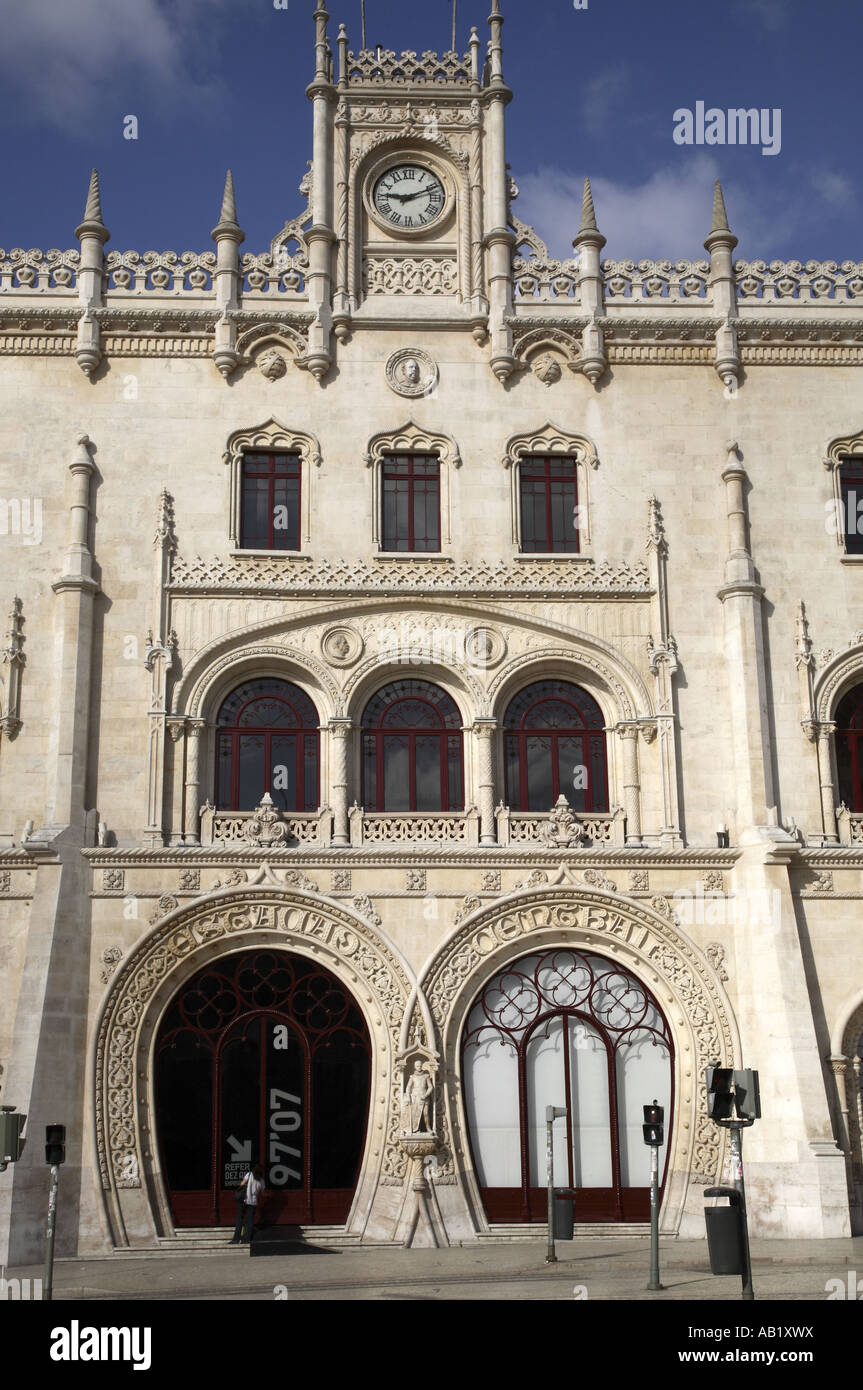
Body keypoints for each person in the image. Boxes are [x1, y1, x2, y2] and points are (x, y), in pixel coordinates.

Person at [231, 1163, 265, 1244]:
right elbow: (263, 1193)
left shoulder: (249, 1174)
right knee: (250, 1221)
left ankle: (236, 1239)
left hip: (244, 1200)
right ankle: (247, 1239)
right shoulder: (262, 1181)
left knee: (240, 1219)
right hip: (253, 1202)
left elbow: (242, 1184)